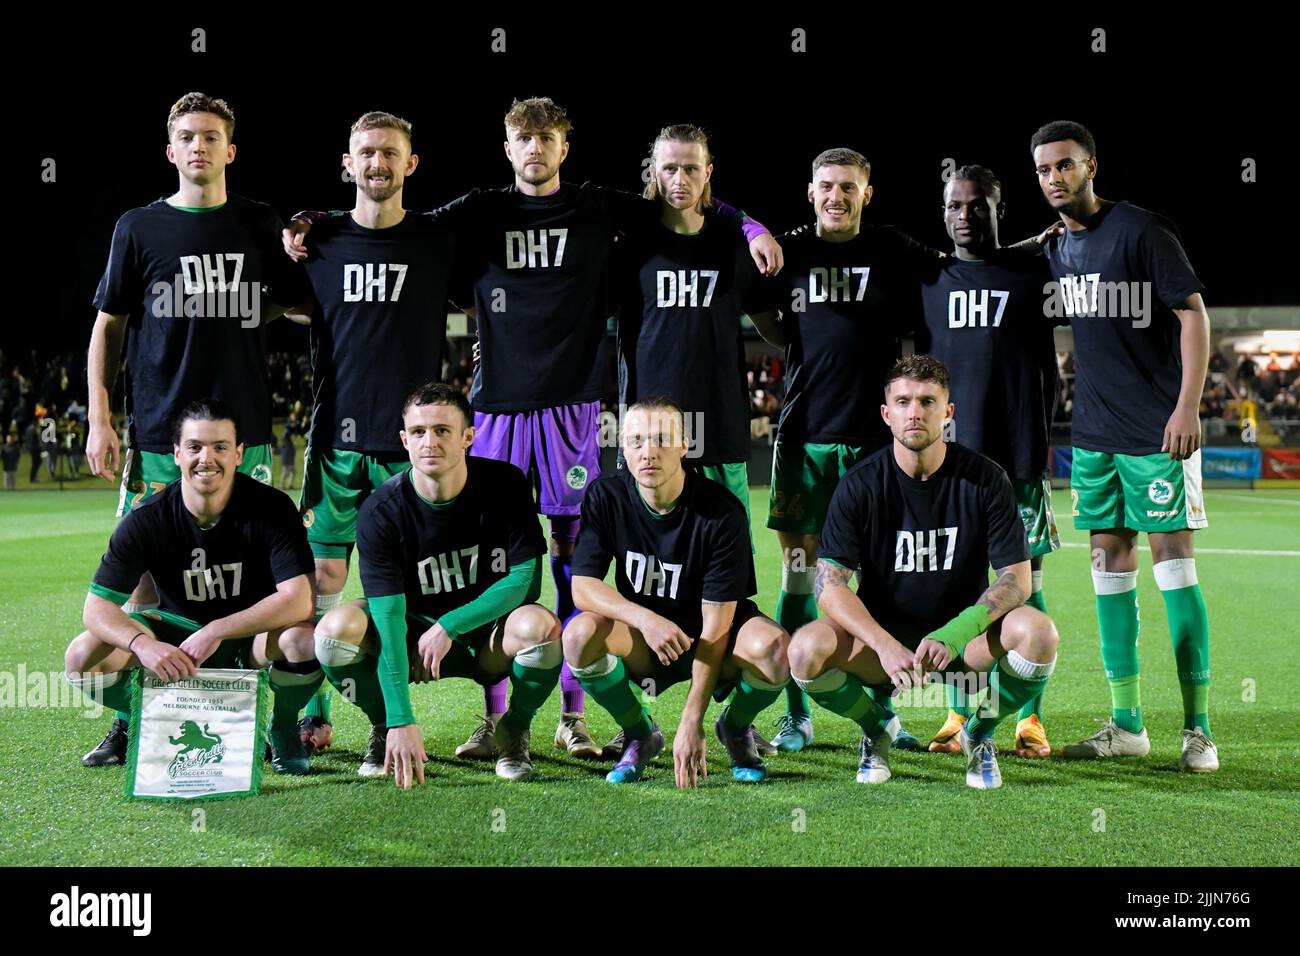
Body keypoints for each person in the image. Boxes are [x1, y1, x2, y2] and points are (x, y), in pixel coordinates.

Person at [284, 96, 782, 762]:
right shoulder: (481, 210)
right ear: (508, 147)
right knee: (499, 552)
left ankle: (571, 716)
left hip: (572, 407)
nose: (536, 148)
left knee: (571, 560)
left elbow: (682, 201)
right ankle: (496, 717)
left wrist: (749, 225)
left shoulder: (596, 205)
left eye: (548, 138)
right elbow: (398, 222)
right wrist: (315, 218)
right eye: (525, 137)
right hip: (494, 409)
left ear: (563, 148)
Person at [80, 92, 310, 763]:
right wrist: (100, 413)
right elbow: (109, 324)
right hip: (157, 434)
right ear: (171, 150)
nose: (200, 147)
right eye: (188, 136)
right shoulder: (139, 227)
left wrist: (314, 250)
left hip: (245, 437)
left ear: (229, 150)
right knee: (147, 588)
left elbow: (302, 306)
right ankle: (136, 715)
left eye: (212, 137)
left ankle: (282, 718)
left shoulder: (257, 225)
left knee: (271, 585)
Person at [1031, 120, 1217, 771]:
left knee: (1173, 562)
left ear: (1091, 166)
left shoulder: (1142, 230)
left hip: (1155, 431)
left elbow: (1192, 313)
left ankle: (1198, 731)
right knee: (1107, 564)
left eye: (1065, 166)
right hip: (1095, 437)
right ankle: (1128, 723)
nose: (1055, 178)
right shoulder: (1055, 246)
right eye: (1044, 170)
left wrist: (1188, 405)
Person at [787, 356, 1059, 789]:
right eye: (904, 401)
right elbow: (829, 586)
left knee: (1039, 635)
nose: (915, 411)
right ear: (886, 413)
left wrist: (954, 635)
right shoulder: (859, 485)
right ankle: (877, 728)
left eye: (928, 401)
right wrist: (885, 645)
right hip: (884, 651)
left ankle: (980, 733)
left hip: (962, 648)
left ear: (947, 412)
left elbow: (1016, 579)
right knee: (804, 650)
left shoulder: (986, 479)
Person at [312, 383, 562, 785]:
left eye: (443, 430)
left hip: (487, 639)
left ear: (468, 436)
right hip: (412, 642)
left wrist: (450, 624)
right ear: (404, 440)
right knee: (333, 634)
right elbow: (389, 616)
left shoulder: (505, 484)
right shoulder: (381, 510)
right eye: (418, 432)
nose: (430, 442)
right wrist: (400, 718)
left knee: (542, 629)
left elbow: (525, 581)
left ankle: (513, 728)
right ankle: (383, 728)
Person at [63, 399, 320, 773]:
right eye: (195, 447)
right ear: (177, 454)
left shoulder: (272, 508)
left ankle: (281, 726)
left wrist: (219, 629)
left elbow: (299, 601)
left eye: (220, 447)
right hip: (175, 641)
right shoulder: (147, 519)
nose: (207, 458)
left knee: (304, 641)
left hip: (248, 640)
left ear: (238, 454)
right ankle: (148, 717)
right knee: (82, 656)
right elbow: (96, 608)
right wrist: (144, 645)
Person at [564, 398, 791, 785]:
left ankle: (734, 727)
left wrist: (692, 722)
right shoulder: (607, 496)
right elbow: (582, 586)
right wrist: (644, 618)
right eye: (635, 441)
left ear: (685, 444)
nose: (647, 452)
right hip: (646, 636)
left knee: (776, 651)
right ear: (622, 447)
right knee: (579, 636)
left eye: (660, 440)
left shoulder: (721, 512)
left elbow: (716, 629)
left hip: (711, 636)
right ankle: (640, 733)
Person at [915, 165, 1061, 758]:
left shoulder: (1034, 269)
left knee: (1027, 587)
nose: (966, 214)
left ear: (1000, 209)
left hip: (1019, 461)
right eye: (955, 205)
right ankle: (957, 712)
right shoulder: (928, 276)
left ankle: (1029, 718)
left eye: (979, 205)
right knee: (959, 589)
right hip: (955, 466)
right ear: (943, 212)